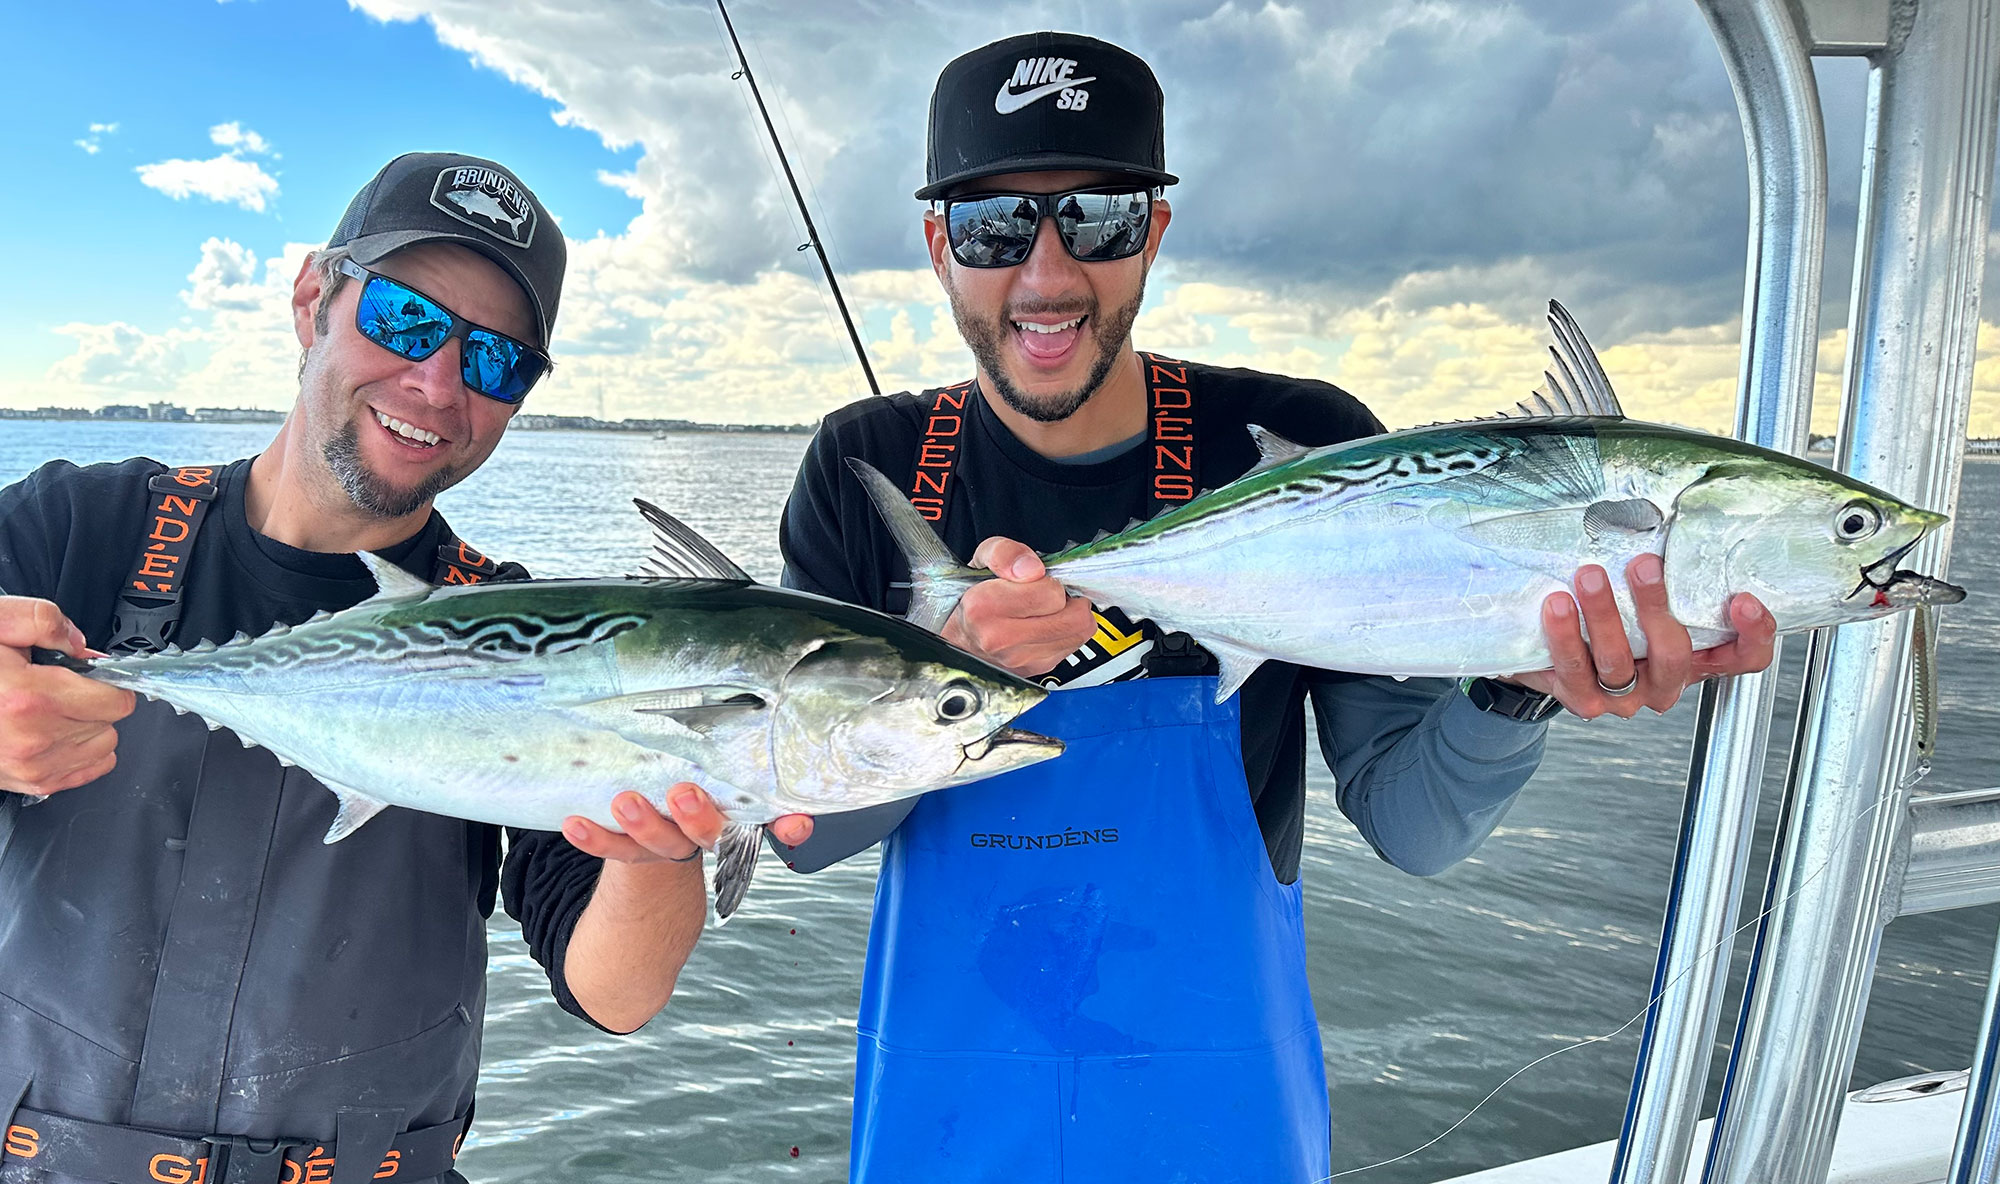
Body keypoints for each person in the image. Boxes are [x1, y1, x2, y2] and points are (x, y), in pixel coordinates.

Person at [773, 32, 1778, 1183]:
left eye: (1096, 218)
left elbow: (1412, 824)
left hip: (1220, 1120)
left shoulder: (1302, 442)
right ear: (937, 247)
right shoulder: (868, 464)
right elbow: (803, 835)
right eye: (993, 225)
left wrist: (1514, 685)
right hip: (948, 1119)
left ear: (1152, 230)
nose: (1045, 275)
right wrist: (933, 675)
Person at [0, 151, 809, 1184]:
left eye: (497, 361)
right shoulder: (80, 526)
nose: (437, 384)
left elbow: (616, 994)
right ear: (312, 300)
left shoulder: (537, 634)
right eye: (405, 318)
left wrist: (663, 842)